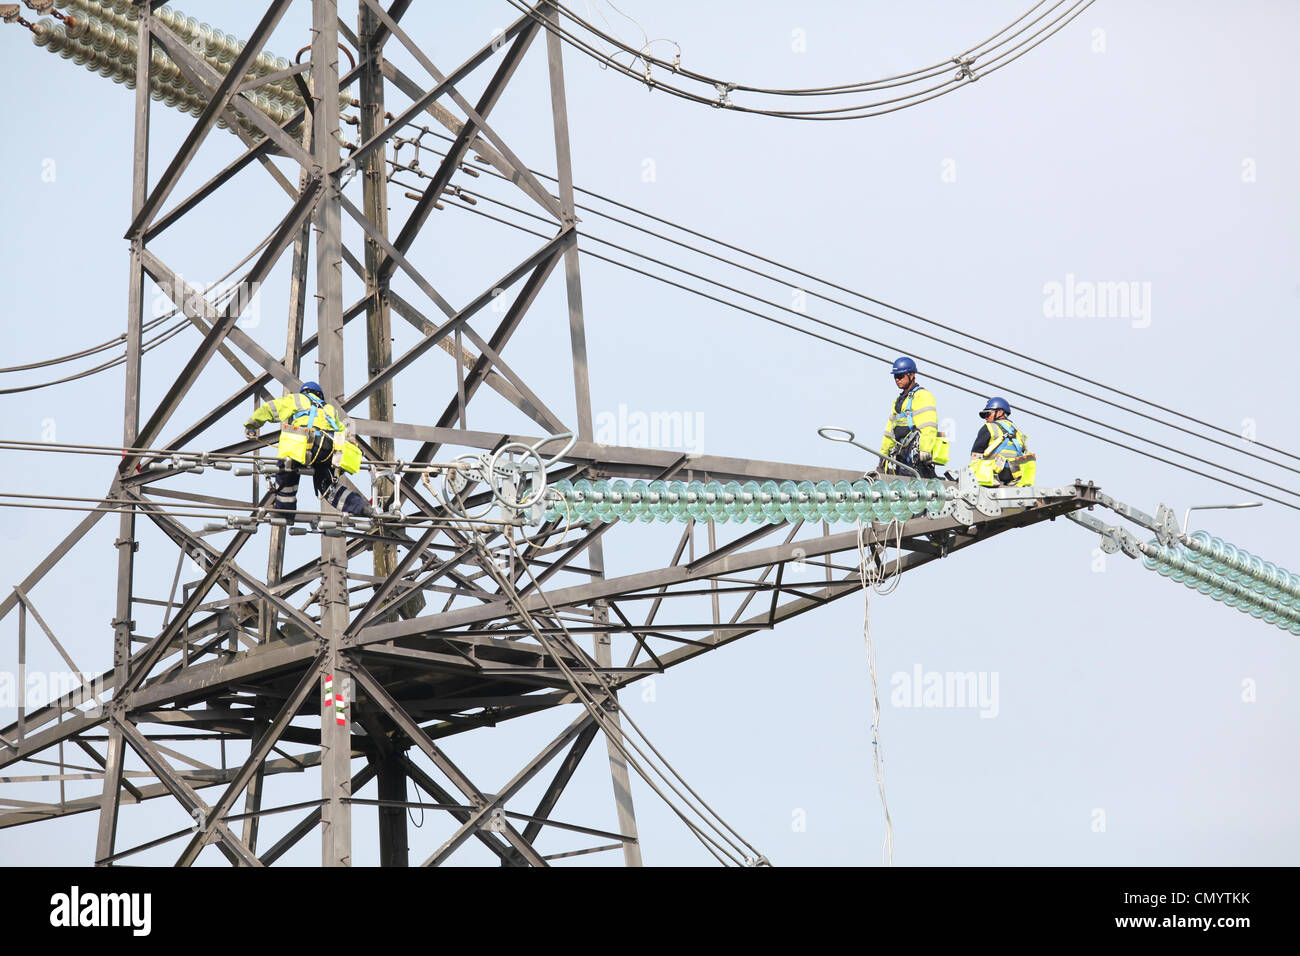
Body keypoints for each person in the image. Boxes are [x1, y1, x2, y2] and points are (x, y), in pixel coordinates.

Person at [243, 381, 372, 520]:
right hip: (326, 450)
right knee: (328, 485)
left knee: (287, 470)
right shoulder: (329, 409)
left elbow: (271, 408)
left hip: (304, 446)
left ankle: (285, 511)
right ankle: (361, 507)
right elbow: (345, 434)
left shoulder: (298, 399)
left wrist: (252, 424)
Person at [879, 356, 940, 479]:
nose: (897, 379)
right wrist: (883, 456)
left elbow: (928, 425)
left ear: (911, 375)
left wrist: (925, 449)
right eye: (895, 376)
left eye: (901, 376)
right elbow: (889, 431)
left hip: (915, 454)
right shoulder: (898, 400)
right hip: (899, 454)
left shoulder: (922, 396)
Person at [969, 396, 1036, 486]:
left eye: (988, 414)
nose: (986, 418)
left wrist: (971, 476)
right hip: (1015, 475)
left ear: (1000, 412)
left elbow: (976, 454)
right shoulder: (1018, 431)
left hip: (994, 474)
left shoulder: (989, 427)